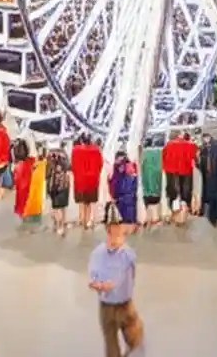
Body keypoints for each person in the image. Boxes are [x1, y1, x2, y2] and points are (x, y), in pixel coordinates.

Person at [89, 204, 143, 357]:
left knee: (136, 339)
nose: (117, 233)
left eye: (119, 230)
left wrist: (112, 284)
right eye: (113, 229)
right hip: (107, 306)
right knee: (111, 346)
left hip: (125, 304)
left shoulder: (127, 253)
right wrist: (98, 284)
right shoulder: (98, 253)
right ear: (108, 230)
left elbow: (129, 269)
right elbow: (93, 273)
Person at [163, 131, 198, 225]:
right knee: (185, 195)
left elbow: (163, 158)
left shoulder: (168, 145)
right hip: (186, 172)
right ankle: (183, 218)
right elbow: (195, 157)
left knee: (173, 195)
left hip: (171, 172)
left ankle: (173, 215)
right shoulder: (190, 145)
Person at [72, 135, 104, 229]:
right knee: (89, 202)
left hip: (80, 180)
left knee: (82, 201)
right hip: (92, 180)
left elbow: (73, 165)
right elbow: (100, 164)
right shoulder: (96, 151)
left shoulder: (76, 150)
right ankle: (89, 220)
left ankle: (83, 219)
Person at [45, 140, 72, 236]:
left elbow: (47, 173)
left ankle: (59, 225)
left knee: (56, 206)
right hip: (65, 182)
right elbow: (69, 167)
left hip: (54, 184)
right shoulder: (64, 154)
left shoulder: (50, 155)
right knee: (63, 206)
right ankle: (63, 223)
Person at [108, 150, 139, 228]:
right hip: (129, 196)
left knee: (123, 214)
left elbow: (113, 182)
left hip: (120, 195)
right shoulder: (131, 166)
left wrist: (113, 195)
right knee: (130, 213)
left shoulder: (116, 167)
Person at [140, 136, 164, 227]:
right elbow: (160, 165)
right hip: (156, 179)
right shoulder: (158, 152)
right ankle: (155, 218)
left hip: (145, 180)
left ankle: (147, 218)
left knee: (147, 199)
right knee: (155, 200)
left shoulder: (143, 153)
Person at [12, 141, 38, 225]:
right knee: (24, 198)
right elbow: (35, 162)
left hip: (21, 184)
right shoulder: (28, 161)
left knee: (20, 198)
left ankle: (22, 214)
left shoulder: (18, 165)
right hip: (25, 184)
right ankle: (23, 215)